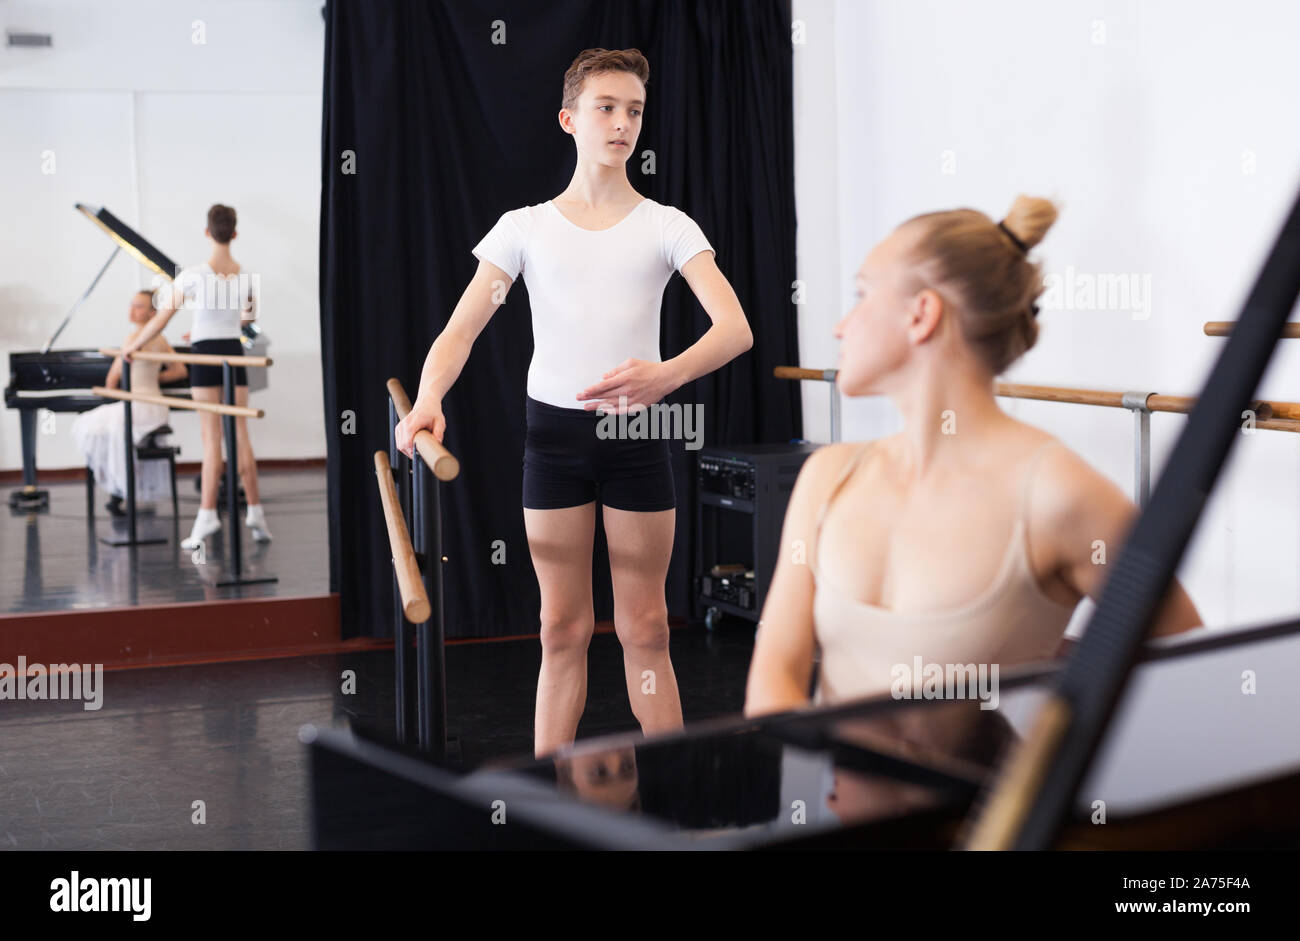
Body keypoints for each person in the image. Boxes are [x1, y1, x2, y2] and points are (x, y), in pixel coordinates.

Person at [395, 48, 753, 757]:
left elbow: (736, 329)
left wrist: (665, 376)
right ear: (569, 119)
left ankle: (673, 792)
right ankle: (544, 797)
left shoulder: (666, 225)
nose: (623, 123)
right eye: (607, 108)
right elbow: (461, 328)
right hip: (553, 443)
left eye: (635, 111)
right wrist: (430, 395)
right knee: (560, 629)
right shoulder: (524, 228)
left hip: (636, 440)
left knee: (645, 627)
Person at [744, 195, 1203, 714]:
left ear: (922, 315)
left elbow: (1195, 666)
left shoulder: (1060, 495)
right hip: (827, 795)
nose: (840, 325)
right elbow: (774, 676)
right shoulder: (828, 477)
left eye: (862, 294)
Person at [123, 203, 271, 549]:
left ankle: (207, 516)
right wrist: (210, 328)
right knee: (240, 435)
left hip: (205, 357)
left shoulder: (192, 275)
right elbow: (247, 322)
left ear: (208, 233)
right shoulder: (246, 277)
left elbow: (160, 320)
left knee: (211, 439)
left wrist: (133, 347)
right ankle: (255, 511)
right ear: (234, 234)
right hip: (233, 356)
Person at [72, 290, 187, 514]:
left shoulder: (133, 339)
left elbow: (111, 380)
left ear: (153, 313)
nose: (132, 310)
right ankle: (120, 492)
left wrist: (125, 387)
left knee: (92, 426)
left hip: (142, 406)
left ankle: (119, 490)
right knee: (112, 430)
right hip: (157, 408)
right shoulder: (161, 339)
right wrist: (154, 379)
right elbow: (180, 371)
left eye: (139, 306)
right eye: (131, 304)